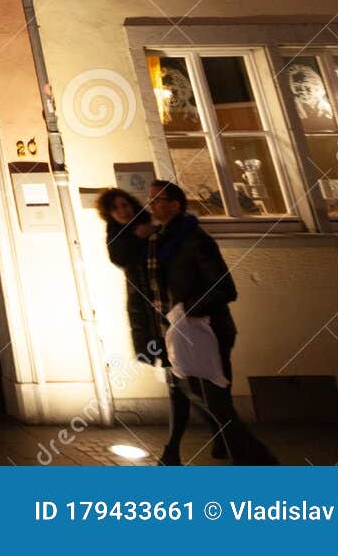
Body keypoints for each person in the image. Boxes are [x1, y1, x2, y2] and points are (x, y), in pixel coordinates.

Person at [146, 181, 278, 465]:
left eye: (158, 199)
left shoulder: (195, 240)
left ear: (176, 204)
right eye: (151, 200)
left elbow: (225, 288)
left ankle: (257, 463)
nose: (152, 205)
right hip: (183, 332)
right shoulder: (163, 241)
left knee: (217, 401)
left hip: (209, 330)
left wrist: (186, 309)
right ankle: (230, 452)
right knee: (199, 396)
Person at [96, 188, 160, 361]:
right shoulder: (115, 232)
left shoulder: (149, 220)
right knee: (152, 338)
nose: (122, 211)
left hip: (163, 289)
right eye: (115, 208)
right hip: (140, 291)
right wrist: (136, 237)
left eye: (125, 205)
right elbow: (118, 258)